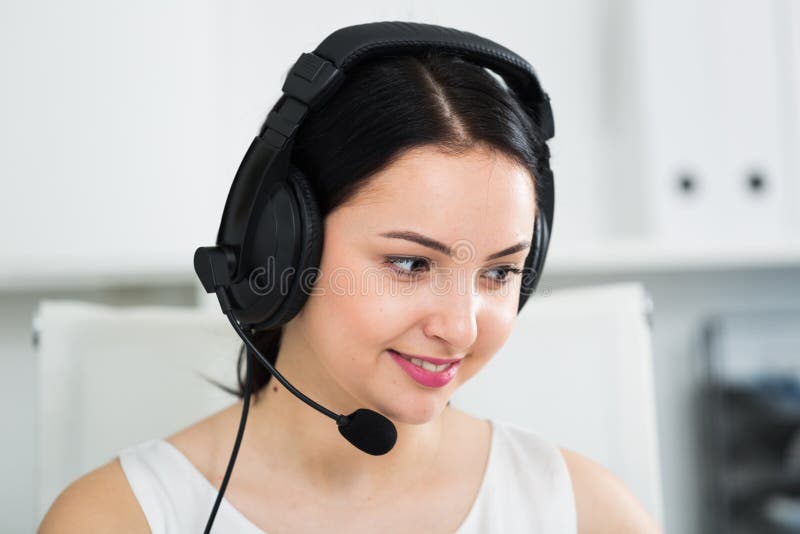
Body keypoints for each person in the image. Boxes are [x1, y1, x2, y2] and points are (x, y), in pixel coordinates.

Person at [39, 47, 661, 533]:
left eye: (499, 272)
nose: (463, 328)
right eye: (411, 264)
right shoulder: (119, 519)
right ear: (283, 249)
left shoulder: (588, 514)